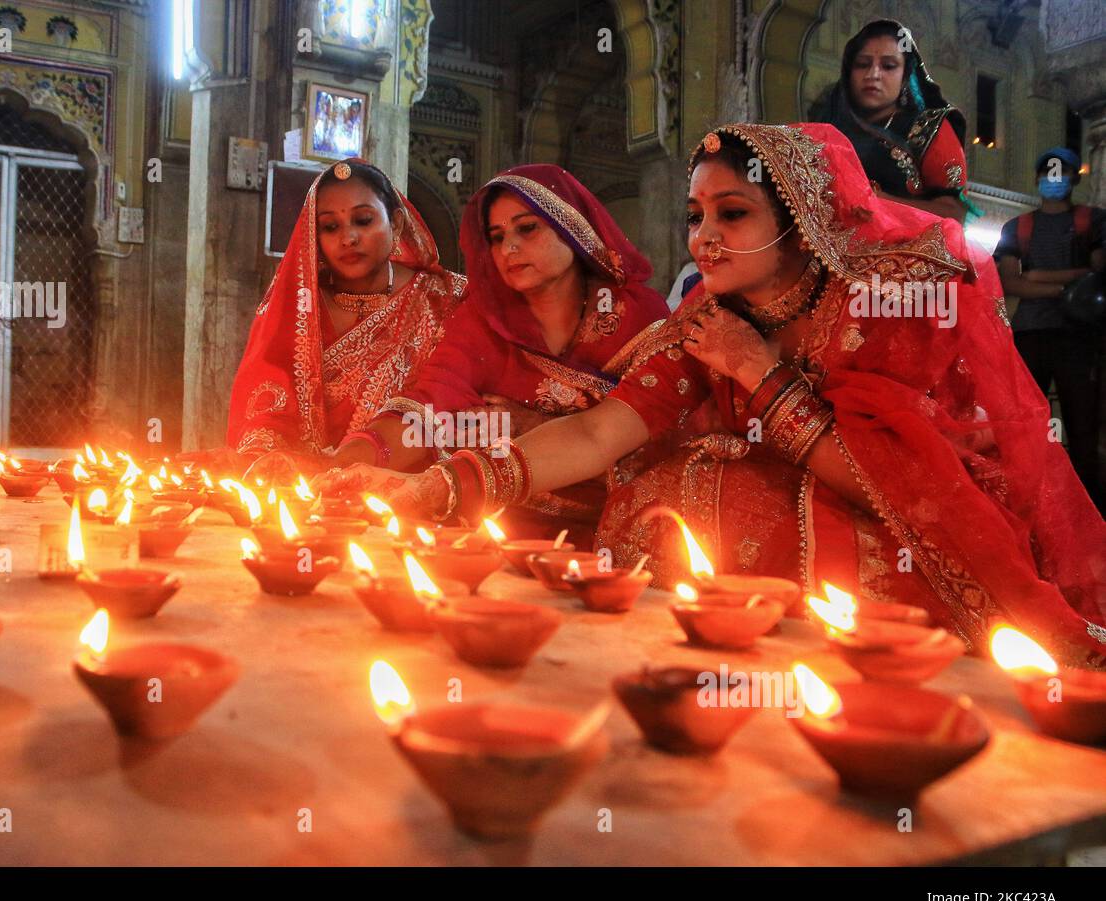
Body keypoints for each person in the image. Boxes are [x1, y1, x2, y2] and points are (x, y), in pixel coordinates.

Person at [319, 123, 1106, 669]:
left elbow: (892, 481)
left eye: (733, 214)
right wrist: (434, 485)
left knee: (725, 489)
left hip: (926, 512)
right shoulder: (709, 317)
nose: (703, 238)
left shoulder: (882, 303)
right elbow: (599, 434)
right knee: (672, 484)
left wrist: (761, 377)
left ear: (801, 225)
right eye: (695, 216)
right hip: (800, 490)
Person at [307, 164, 674, 545]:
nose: (509, 248)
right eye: (497, 237)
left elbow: (659, 439)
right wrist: (347, 462)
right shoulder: (485, 320)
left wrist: (534, 426)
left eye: (526, 228)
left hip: (615, 525)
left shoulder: (633, 316)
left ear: (572, 226)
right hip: (500, 517)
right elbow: (428, 408)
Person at [208, 159, 465, 477]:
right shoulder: (298, 306)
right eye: (330, 226)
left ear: (396, 224)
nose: (348, 238)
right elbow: (263, 407)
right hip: (303, 497)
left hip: (406, 496)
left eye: (363, 219)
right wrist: (269, 464)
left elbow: (455, 407)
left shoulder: (444, 300)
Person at [994, 147, 1106, 507]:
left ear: (1074, 177)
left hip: (1077, 338)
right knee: (1027, 426)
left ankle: (1085, 510)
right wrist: (1069, 286)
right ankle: (1032, 503)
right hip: (1035, 335)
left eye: (1060, 173)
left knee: (1083, 428)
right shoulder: (1017, 227)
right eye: (1049, 173)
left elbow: (1099, 274)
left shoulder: (1095, 220)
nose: (1054, 179)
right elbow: (1010, 283)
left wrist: (1038, 277)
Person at [818, 18, 978, 224]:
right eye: (862, 64)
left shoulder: (929, 128)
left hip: (905, 251)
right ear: (848, 73)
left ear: (905, 77)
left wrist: (881, 203)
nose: (873, 74)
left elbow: (953, 213)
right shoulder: (827, 128)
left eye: (888, 66)